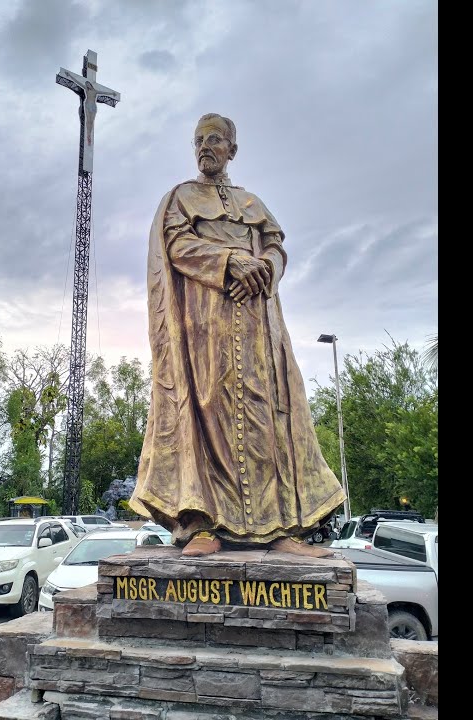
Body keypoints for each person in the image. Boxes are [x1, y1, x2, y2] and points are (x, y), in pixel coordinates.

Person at [128, 113, 345, 559]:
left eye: (214, 140)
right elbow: (176, 246)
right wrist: (230, 261)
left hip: (258, 327)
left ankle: (279, 526)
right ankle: (204, 524)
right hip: (205, 327)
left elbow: (276, 247)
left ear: (232, 149)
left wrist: (265, 267)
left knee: (269, 417)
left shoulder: (252, 202)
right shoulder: (181, 198)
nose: (204, 148)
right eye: (198, 141)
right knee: (209, 413)